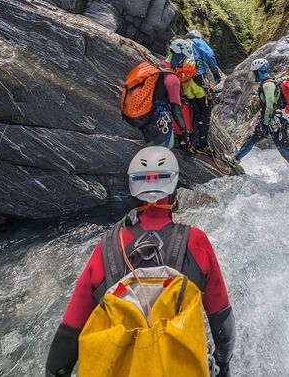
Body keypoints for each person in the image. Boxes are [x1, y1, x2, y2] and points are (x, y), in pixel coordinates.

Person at [45, 146, 236, 377]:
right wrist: (222, 364)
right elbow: (222, 321)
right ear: (173, 189)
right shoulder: (196, 243)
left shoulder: (104, 249)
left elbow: (68, 334)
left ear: (134, 189)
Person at [234, 58, 289, 179]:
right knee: (253, 140)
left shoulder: (267, 85)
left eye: (255, 72)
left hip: (274, 121)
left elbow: (270, 104)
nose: (253, 75)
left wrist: (265, 123)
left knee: (284, 150)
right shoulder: (269, 82)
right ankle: (235, 159)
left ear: (259, 72)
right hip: (274, 120)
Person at [140, 39, 192, 149]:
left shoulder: (159, 65)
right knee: (167, 146)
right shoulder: (172, 79)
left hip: (146, 113)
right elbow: (176, 110)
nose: (183, 62)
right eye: (184, 58)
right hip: (159, 117)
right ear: (180, 56)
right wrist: (184, 133)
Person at [184, 30, 221, 152]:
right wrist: (215, 73)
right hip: (198, 78)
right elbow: (210, 55)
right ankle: (203, 143)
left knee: (194, 111)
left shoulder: (182, 44)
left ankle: (191, 141)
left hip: (185, 82)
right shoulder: (197, 41)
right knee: (205, 111)